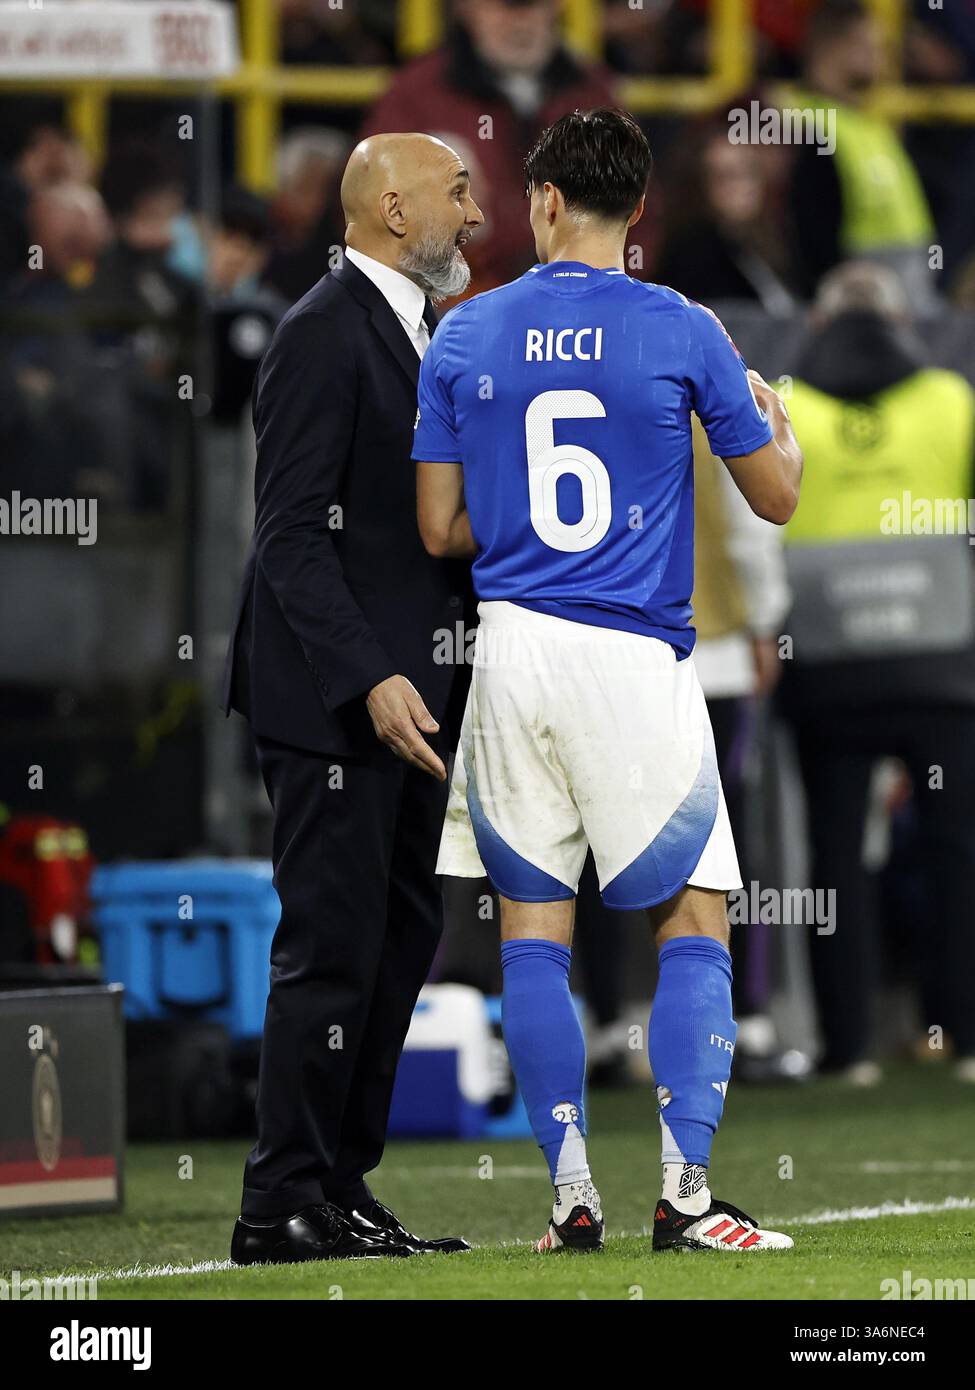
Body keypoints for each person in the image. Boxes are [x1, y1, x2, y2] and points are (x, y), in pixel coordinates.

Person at [414, 108, 802, 1254]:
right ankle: (684, 1198)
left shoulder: (466, 333)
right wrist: (780, 425)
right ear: (639, 211)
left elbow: (440, 529)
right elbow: (774, 497)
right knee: (696, 914)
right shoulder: (682, 326)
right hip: (631, 651)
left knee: (534, 926)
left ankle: (569, 1196)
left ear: (540, 202)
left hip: (513, 647)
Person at [223, 132, 484, 1263]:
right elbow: (287, 534)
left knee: (393, 947)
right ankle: (276, 1201)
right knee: (330, 947)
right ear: (390, 204)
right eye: (458, 191)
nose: (475, 215)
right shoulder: (321, 333)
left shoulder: (418, 332)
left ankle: (339, 1186)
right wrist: (369, 675)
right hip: (338, 702)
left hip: (413, 702)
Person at [777, 260, 975, 1084]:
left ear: (818, 324)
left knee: (832, 862)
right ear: (900, 323)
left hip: (827, 670)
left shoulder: (784, 402)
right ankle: (965, 1038)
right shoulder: (949, 400)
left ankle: (847, 1047)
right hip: (939, 666)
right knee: (956, 851)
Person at [361, 0, 629, 294]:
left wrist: (600, 287)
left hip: (577, 305)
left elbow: (638, 203)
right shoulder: (415, 96)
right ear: (466, 9)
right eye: (503, 7)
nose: (519, 23)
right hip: (453, 307)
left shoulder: (593, 90)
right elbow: (369, 209)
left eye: (533, 6)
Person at [786, 0, 935, 304]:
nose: (882, 57)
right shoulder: (802, 122)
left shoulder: (867, 123)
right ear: (834, 47)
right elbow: (812, 228)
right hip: (858, 298)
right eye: (869, 45)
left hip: (907, 292)